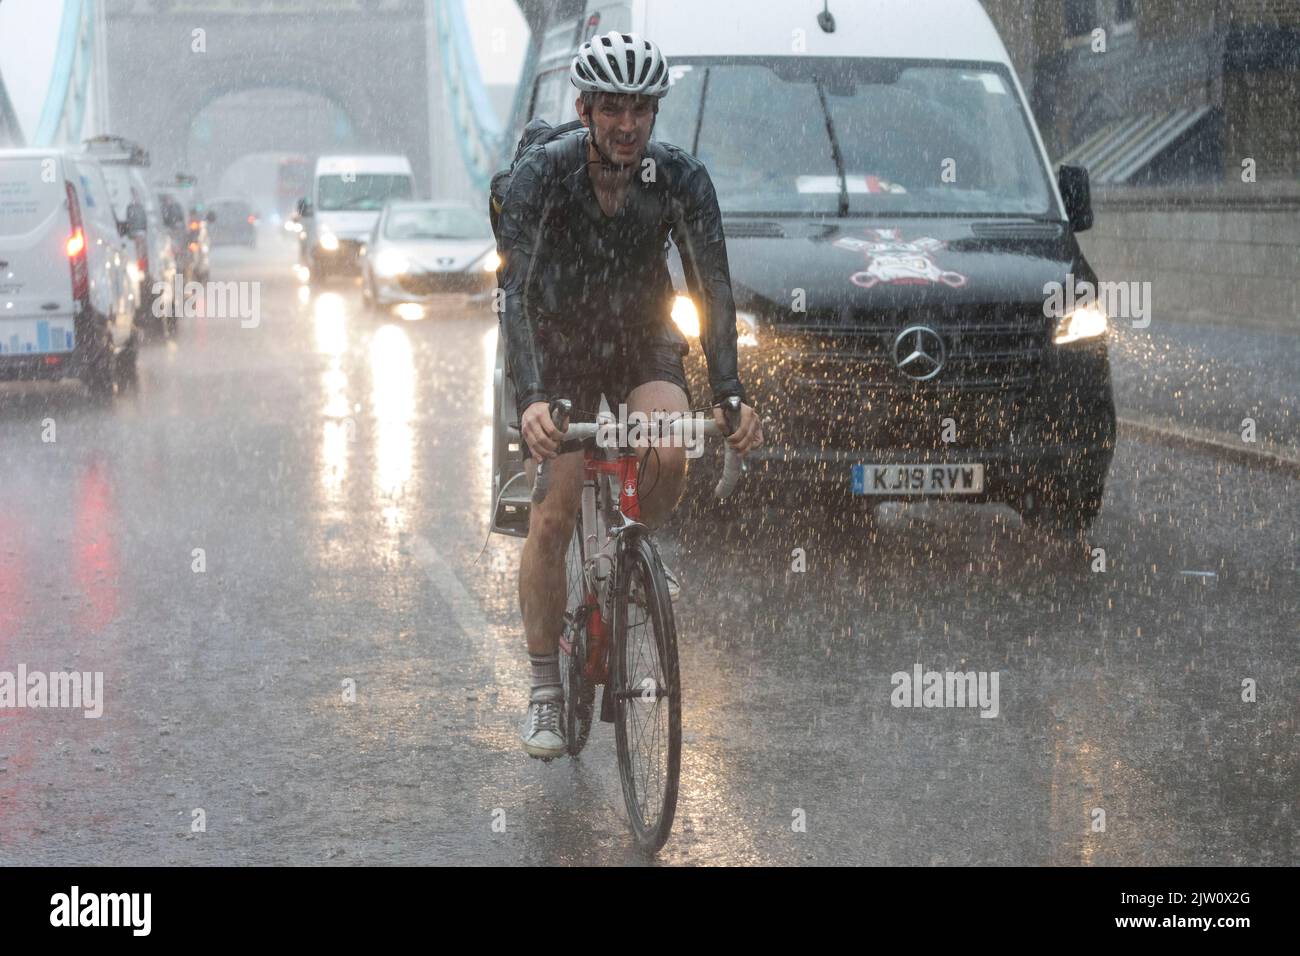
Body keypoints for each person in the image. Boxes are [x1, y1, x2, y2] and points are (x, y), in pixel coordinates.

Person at [497, 31, 763, 759]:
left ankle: (634, 544)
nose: (625, 125)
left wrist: (732, 392)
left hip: (640, 332)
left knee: (671, 453)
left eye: (640, 110)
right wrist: (531, 396)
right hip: (555, 343)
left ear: (654, 114)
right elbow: (513, 293)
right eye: (610, 109)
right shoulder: (543, 176)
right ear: (583, 108)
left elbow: (712, 288)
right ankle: (547, 690)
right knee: (551, 515)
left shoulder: (678, 179)